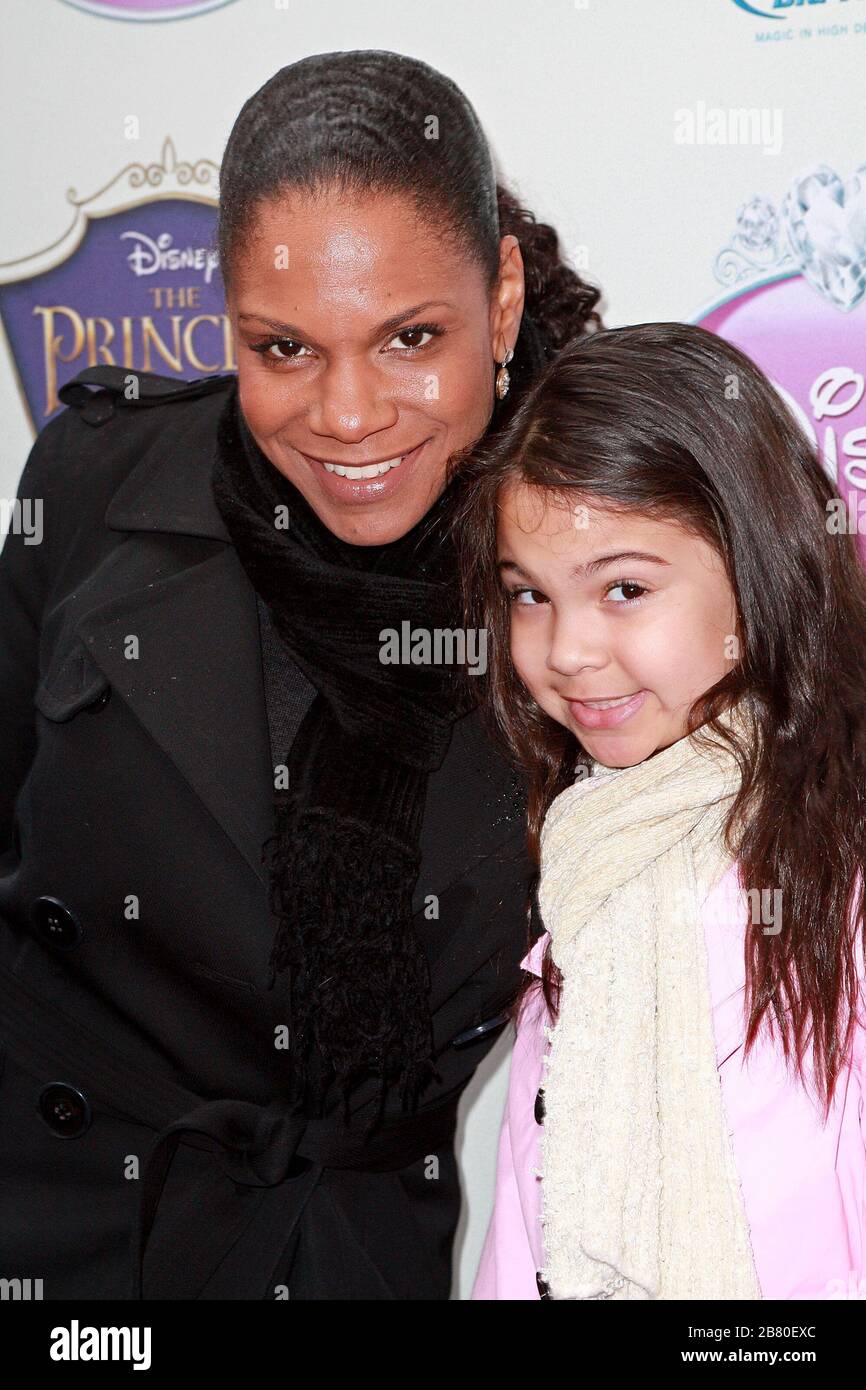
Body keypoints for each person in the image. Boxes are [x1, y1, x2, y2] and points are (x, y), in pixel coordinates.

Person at [0, 49, 602, 1300]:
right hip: (51, 1224)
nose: (345, 414)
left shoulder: (601, 576)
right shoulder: (96, 484)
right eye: (283, 349)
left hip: (343, 1252)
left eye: (409, 338)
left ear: (496, 302)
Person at [454, 322, 866, 1300]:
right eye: (529, 595)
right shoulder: (588, 852)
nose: (565, 650)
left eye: (624, 588)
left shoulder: (840, 864)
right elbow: (532, 1233)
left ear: (754, 564)